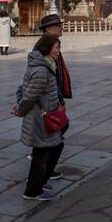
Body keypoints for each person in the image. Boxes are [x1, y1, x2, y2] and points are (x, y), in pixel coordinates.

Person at [13, 34, 66, 201]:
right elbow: (28, 95)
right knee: (42, 153)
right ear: (47, 48)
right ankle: (33, 190)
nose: (58, 51)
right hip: (41, 119)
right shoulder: (42, 69)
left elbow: (22, 89)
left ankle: (38, 182)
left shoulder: (44, 65)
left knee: (46, 150)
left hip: (44, 116)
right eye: (56, 47)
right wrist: (21, 110)